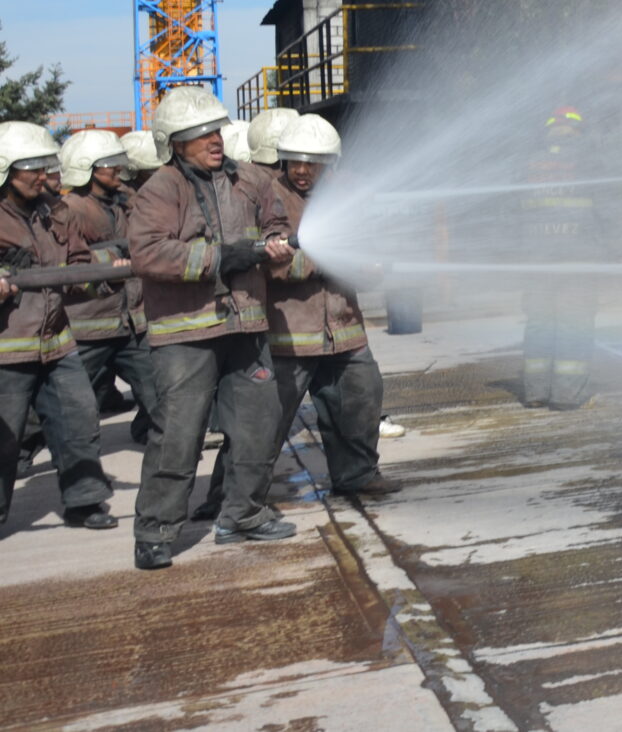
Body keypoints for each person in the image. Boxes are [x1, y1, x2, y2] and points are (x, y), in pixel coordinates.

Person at [127, 87, 295, 570]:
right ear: (175, 143)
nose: (213, 139)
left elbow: (273, 224)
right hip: (186, 334)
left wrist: (273, 245)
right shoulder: (160, 189)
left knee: (259, 425)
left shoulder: (250, 179)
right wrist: (221, 257)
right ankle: (156, 532)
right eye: (199, 134)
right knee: (178, 433)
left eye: (216, 130)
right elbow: (149, 252)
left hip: (245, 324)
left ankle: (244, 515)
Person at [265, 115, 398, 498]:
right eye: (295, 161)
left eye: (313, 162)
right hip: (290, 333)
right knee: (266, 423)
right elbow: (267, 262)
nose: (303, 170)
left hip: (344, 325)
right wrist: (324, 261)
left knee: (361, 400)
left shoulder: (349, 194)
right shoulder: (267, 196)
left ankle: (358, 475)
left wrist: (371, 268)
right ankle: (240, 497)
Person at [0, 122, 117, 531]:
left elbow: (78, 264)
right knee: (5, 437)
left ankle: (84, 502)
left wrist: (104, 275)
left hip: (57, 340)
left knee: (78, 421)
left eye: (44, 165)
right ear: (4, 171)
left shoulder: (54, 211)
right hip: (8, 348)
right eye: (29, 166)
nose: (41, 175)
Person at [53, 130, 159, 442]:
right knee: (64, 405)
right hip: (87, 328)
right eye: (109, 164)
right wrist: (107, 262)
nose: (118, 169)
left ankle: (158, 440)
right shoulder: (68, 210)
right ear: (87, 168)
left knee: (160, 392)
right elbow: (63, 264)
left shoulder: (126, 204)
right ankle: (20, 451)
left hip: (130, 325)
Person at [521, 106, 600, 410]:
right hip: (578, 258)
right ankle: (568, 393)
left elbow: (510, 210)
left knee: (539, 322)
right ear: (578, 131)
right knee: (574, 324)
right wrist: (616, 250)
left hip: (535, 259)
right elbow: (607, 209)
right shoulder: (591, 161)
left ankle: (535, 392)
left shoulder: (528, 163)